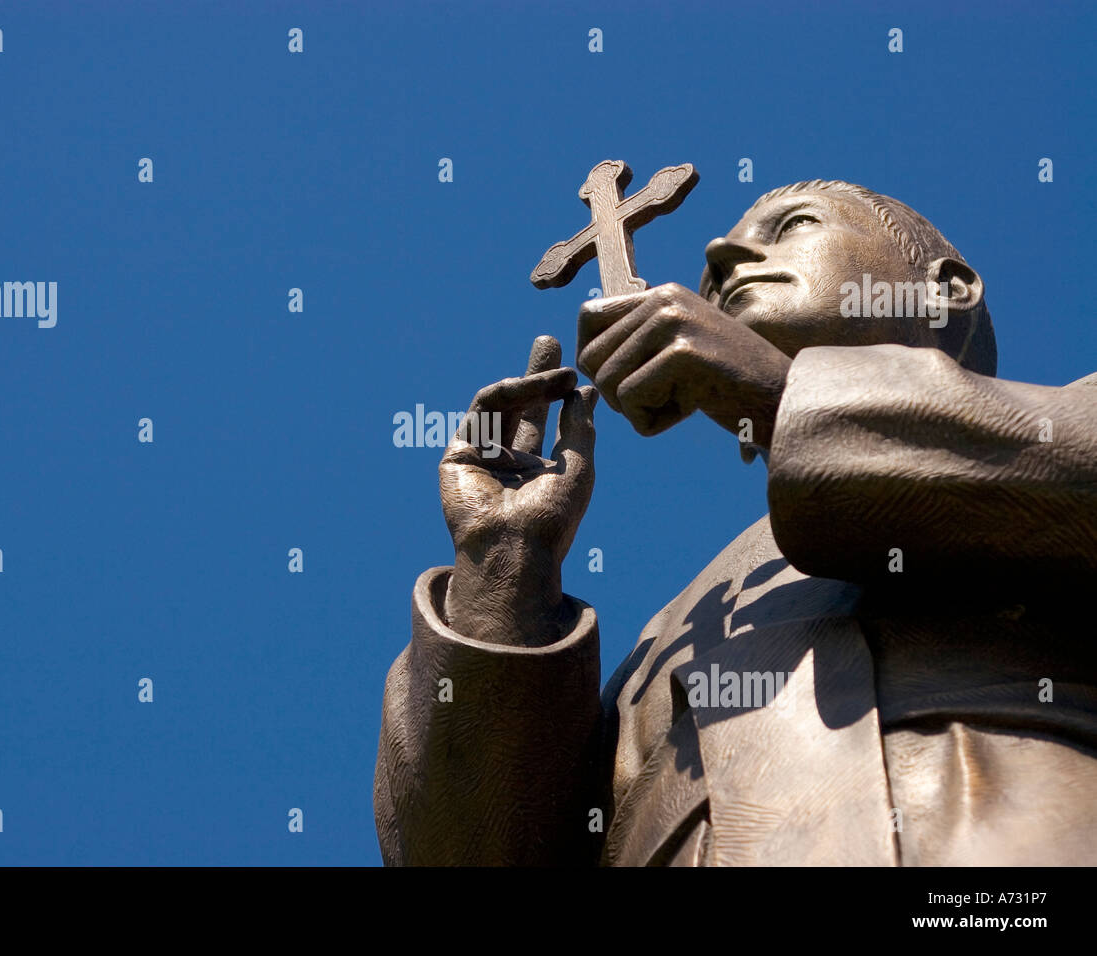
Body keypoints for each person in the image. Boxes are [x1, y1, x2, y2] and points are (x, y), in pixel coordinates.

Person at [375, 180, 1097, 865]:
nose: (721, 257)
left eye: (795, 225)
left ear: (946, 290)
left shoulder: (1069, 427)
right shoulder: (669, 639)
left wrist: (784, 398)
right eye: (712, 271)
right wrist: (504, 575)